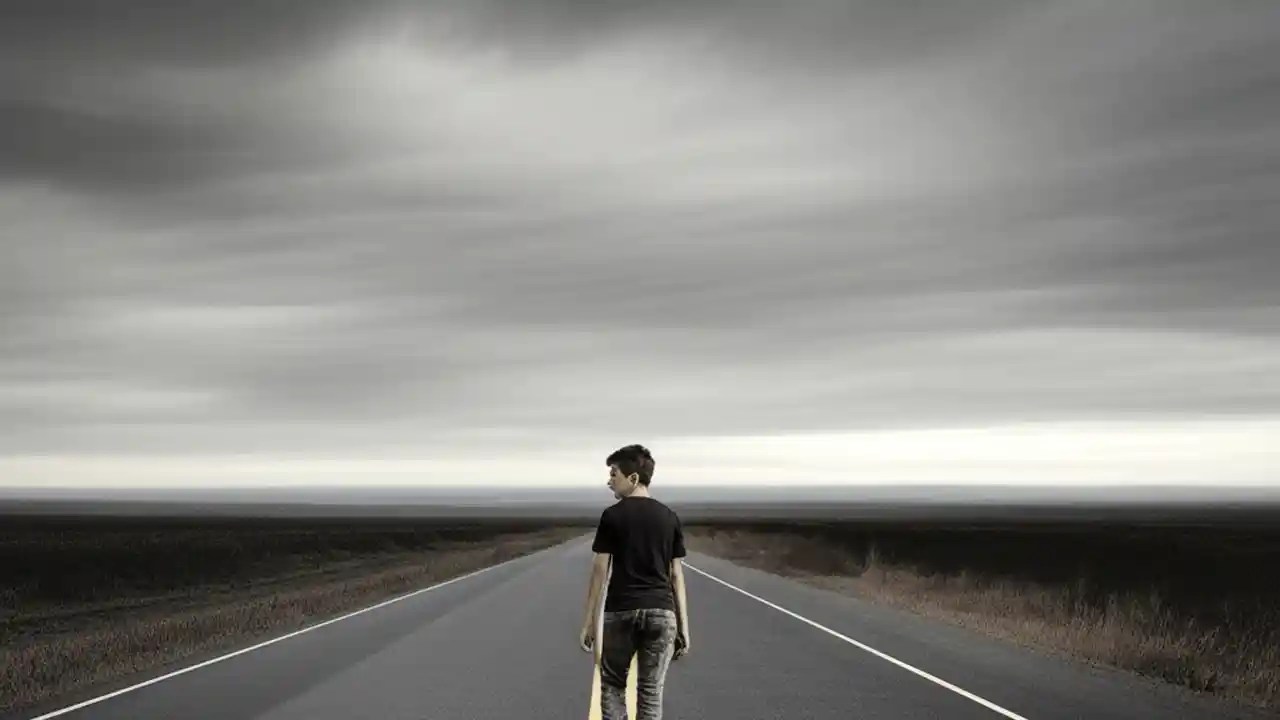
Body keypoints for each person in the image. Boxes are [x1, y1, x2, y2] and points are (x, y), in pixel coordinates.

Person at [579, 444, 690, 720]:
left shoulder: (612, 516)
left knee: (613, 687)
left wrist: (590, 623)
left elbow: (600, 571)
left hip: (621, 612)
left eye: (614, 474)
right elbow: (676, 575)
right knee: (651, 692)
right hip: (662, 613)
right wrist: (684, 627)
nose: (609, 481)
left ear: (634, 478)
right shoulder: (670, 518)